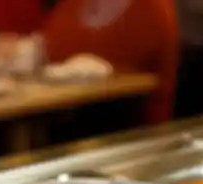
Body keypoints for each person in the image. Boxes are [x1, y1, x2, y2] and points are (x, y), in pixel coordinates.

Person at [42, 0, 179, 124]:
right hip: (63, 131)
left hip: (130, 136)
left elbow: (121, 91)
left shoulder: (152, 9)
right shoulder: (71, 5)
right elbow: (52, 46)